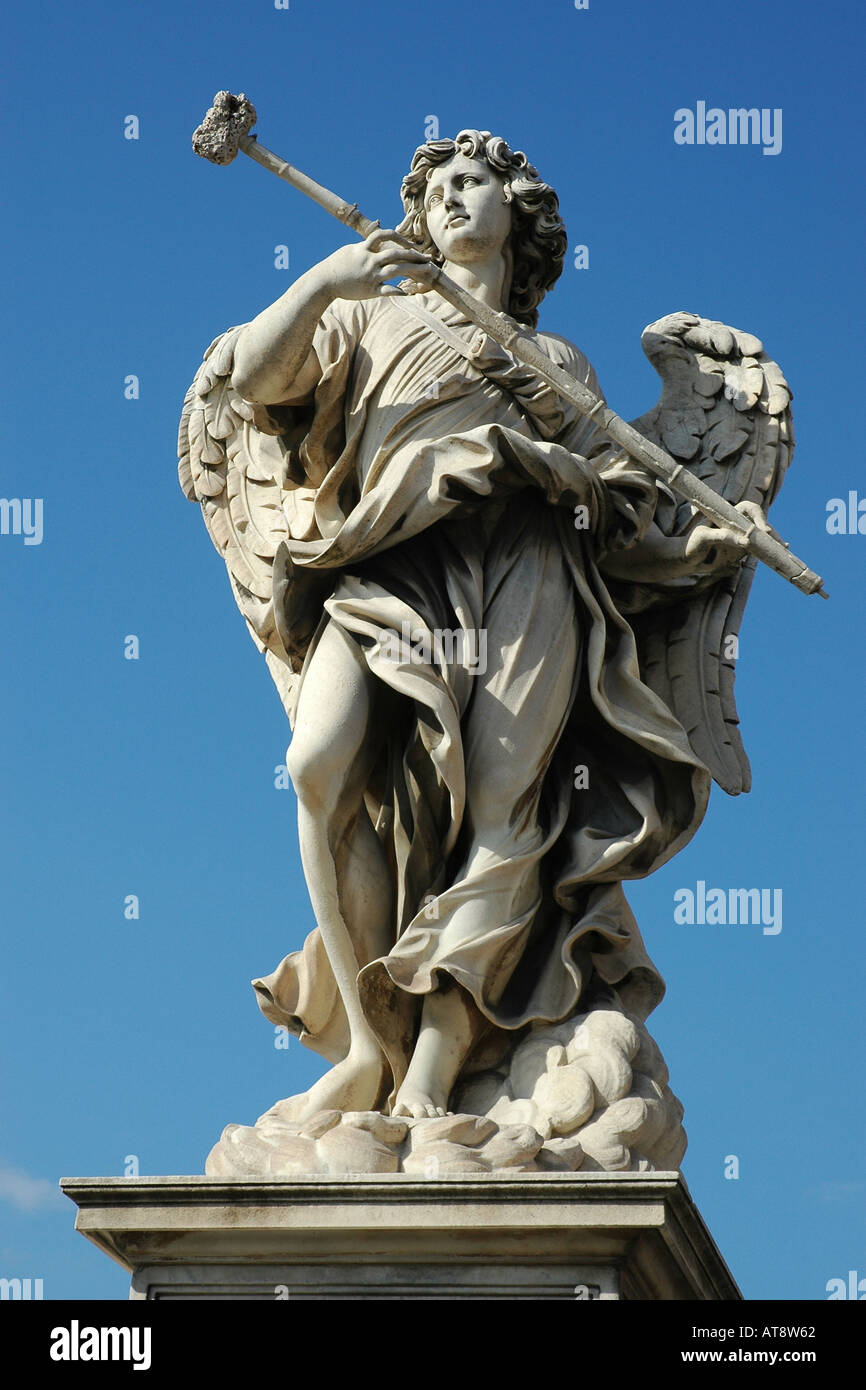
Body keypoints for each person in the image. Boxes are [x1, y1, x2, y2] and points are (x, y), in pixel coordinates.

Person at [228, 131, 749, 1122]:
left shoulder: (552, 358)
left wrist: (682, 553)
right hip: (385, 564)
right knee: (318, 767)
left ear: (519, 213)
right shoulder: (366, 323)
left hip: (524, 569)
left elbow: (618, 504)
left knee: (506, 812)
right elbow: (254, 378)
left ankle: (431, 1061)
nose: (451, 200)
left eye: (473, 183)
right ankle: (366, 1048)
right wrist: (324, 281)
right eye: (435, 189)